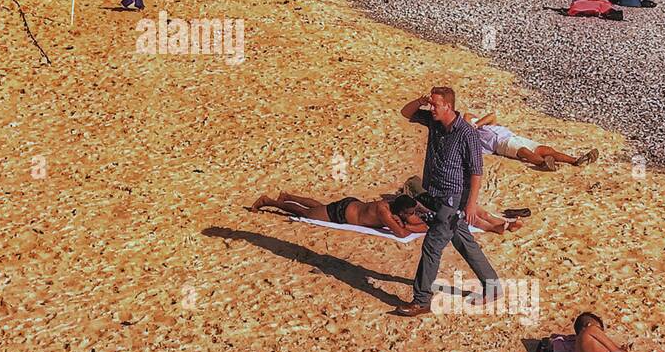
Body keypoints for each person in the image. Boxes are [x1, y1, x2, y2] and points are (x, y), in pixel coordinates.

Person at [393, 86, 500, 319]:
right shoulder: (435, 123)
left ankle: (421, 300)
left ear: (448, 106)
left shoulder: (467, 134)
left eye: (435, 105)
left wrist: (471, 205)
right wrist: (421, 99)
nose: (431, 109)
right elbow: (406, 112)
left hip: (453, 200)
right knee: (464, 242)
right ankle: (493, 286)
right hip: (436, 195)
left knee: (432, 246)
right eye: (430, 105)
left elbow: (476, 172)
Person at [250, 190, 422, 237]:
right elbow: (400, 233)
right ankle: (268, 201)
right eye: (408, 213)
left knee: (319, 207)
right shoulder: (383, 211)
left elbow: (418, 222)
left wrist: (413, 223)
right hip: (342, 213)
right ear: (400, 211)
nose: (411, 214)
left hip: (352, 206)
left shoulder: (397, 207)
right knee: (306, 213)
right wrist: (408, 226)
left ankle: (287, 196)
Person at [471, 114, 597, 172]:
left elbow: (491, 116)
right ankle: (543, 163)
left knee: (546, 149)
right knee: (523, 151)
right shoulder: (468, 138)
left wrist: (475, 125)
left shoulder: (477, 123)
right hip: (501, 143)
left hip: (512, 136)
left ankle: (575, 160)